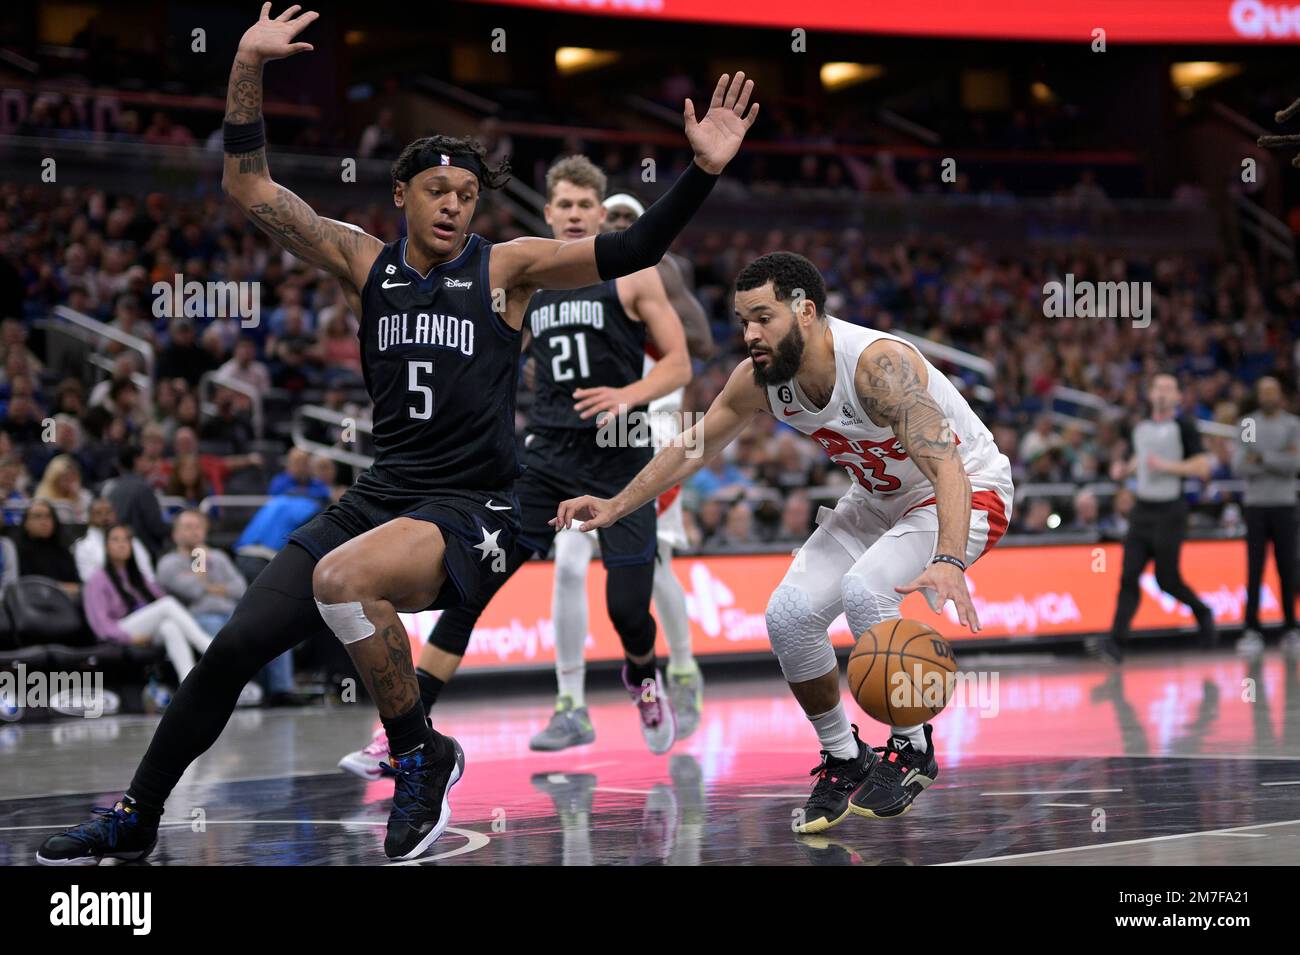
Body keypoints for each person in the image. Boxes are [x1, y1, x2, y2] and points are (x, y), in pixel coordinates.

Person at [38, 3, 757, 865]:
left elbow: (635, 242)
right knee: (231, 647)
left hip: (475, 506)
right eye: (438, 192)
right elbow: (249, 187)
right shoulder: (360, 259)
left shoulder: (508, 267)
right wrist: (246, 65)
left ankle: (417, 752)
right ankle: (137, 814)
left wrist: (703, 172)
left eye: (466, 194)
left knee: (344, 581)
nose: (455, 206)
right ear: (402, 196)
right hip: (384, 493)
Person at [553, 251, 1014, 833]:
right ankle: (845, 758)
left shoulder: (878, 366)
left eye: (763, 317)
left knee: (865, 590)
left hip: (967, 491)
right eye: (743, 320)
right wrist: (617, 504)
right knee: (789, 615)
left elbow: (948, 469)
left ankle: (913, 746)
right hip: (877, 499)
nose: (749, 334)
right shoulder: (760, 379)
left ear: (807, 311)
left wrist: (948, 559)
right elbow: (696, 445)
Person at [339, 155, 693, 774]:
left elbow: (681, 365)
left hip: (620, 463)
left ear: (600, 210)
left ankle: (643, 677)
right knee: (472, 590)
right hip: (547, 461)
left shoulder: (634, 277)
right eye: (566, 205)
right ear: (550, 213)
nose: (577, 214)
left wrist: (627, 394)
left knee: (628, 610)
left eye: (588, 205)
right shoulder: (527, 280)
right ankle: (402, 735)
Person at [542, 191, 715, 741]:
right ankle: (570, 700)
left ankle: (682, 670)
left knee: (655, 562)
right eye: (611, 218)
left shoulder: (658, 273)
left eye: (625, 220)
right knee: (569, 564)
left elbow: (700, 346)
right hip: (586, 441)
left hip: (651, 434)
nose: (616, 226)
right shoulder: (567, 275)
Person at [1101, 373, 1218, 663]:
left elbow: (1203, 465)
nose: (1163, 394)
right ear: (1150, 395)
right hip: (1142, 511)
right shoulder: (1140, 428)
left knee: (1167, 580)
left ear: (1178, 397)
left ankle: (1203, 612)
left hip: (1171, 511)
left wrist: (1166, 466)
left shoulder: (1184, 427)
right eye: (1158, 389)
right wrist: (1123, 470)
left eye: (1169, 389)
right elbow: (1134, 460)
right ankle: (1116, 643)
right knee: (1129, 577)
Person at [1233, 376, 1300, 655]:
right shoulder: (1248, 424)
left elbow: (1294, 464)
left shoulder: (1292, 425)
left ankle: (1290, 627)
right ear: (1258, 395)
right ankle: (1251, 629)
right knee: (1254, 568)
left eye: (1273, 391)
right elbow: (1240, 465)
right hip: (1256, 505)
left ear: (1279, 395)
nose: (1268, 396)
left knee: (1288, 567)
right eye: (1264, 392)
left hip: (1284, 504)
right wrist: (1277, 457)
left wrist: (1261, 457)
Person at [102, 445, 171, 558]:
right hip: (144, 552)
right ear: (137, 461)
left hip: (120, 549)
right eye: (147, 458)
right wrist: (176, 528)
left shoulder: (112, 488)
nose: (151, 463)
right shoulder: (143, 489)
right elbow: (156, 526)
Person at [74, 496, 156, 582]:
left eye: (109, 512)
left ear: (115, 514)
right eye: (98, 513)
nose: (105, 517)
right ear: (90, 517)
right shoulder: (83, 545)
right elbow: (88, 580)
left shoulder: (131, 539)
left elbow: (148, 573)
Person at [14, 498, 82, 600]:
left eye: (48, 516)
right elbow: (26, 586)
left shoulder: (63, 550)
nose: (44, 522)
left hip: (67, 603)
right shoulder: (18, 551)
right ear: (26, 523)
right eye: (37, 517)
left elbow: (76, 584)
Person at [33, 454, 93, 525]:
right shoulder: (42, 498)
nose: (69, 483)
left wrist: (77, 499)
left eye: (73, 478)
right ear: (54, 479)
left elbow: (86, 520)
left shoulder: (84, 496)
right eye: (65, 479)